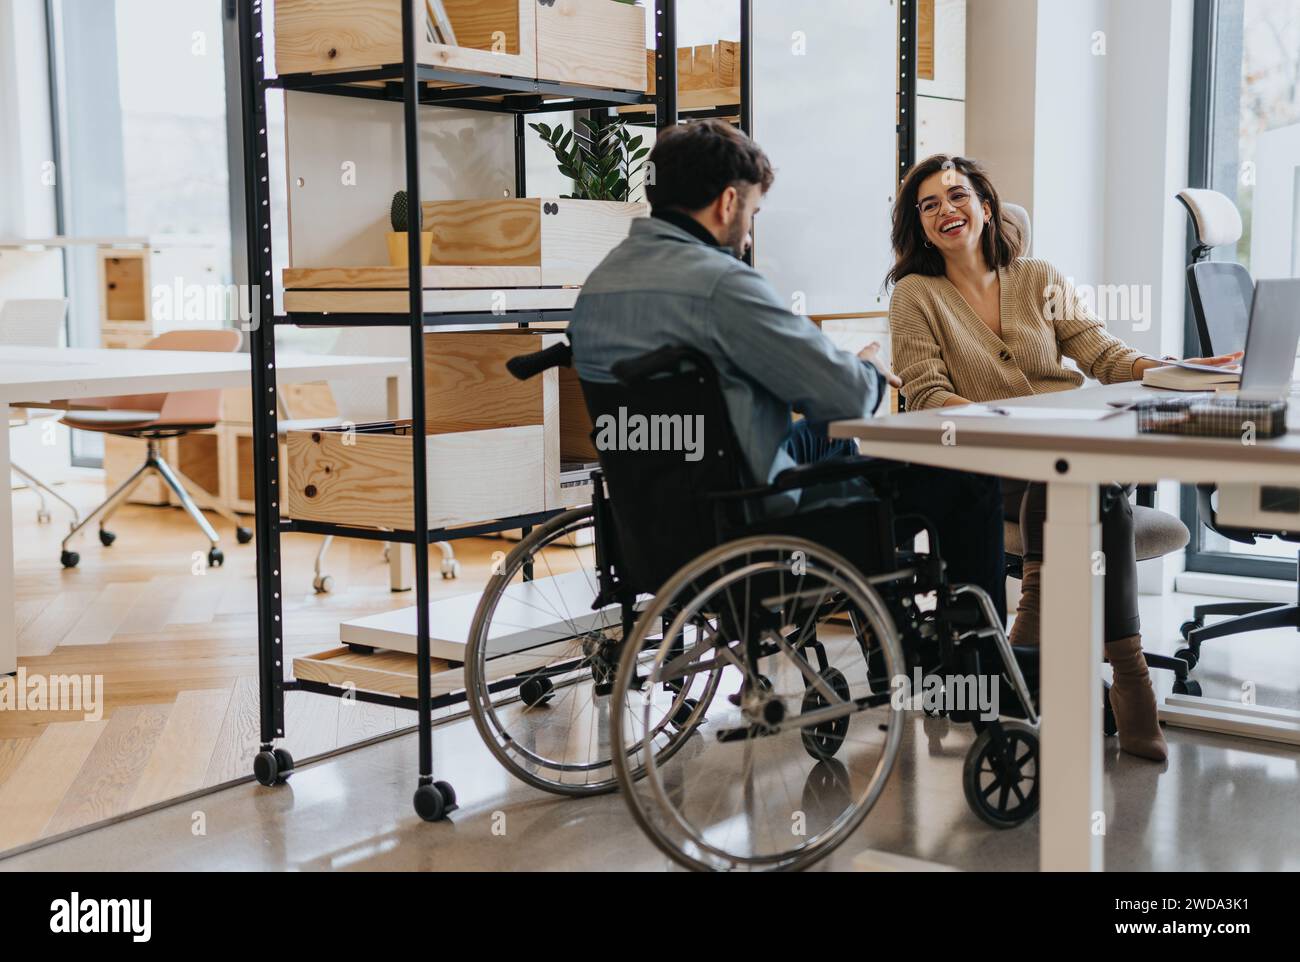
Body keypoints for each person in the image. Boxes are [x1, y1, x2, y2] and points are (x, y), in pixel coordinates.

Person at [568, 120, 1008, 623]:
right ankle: (978, 672)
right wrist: (865, 367)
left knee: (828, 437)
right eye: (752, 212)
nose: (750, 232)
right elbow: (846, 397)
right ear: (728, 203)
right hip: (753, 521)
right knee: (969, 474)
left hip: (651, 525)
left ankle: (881, 634)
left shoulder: (599, 284)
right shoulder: (721, 284)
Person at [886, 153, 1241, 762]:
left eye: (958, 195)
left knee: (1075, 477)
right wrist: (1010, 426)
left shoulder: (1036, 277)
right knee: (1086, 487)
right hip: (988, 463)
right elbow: (925, 391)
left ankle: (1033, 640)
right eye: (930, 205)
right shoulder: (916, 294)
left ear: (986, 206)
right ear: (919, 226)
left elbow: (1101, 353)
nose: (947, 209)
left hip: (1067, 456)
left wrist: (1175, 369)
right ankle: (1131, 683)